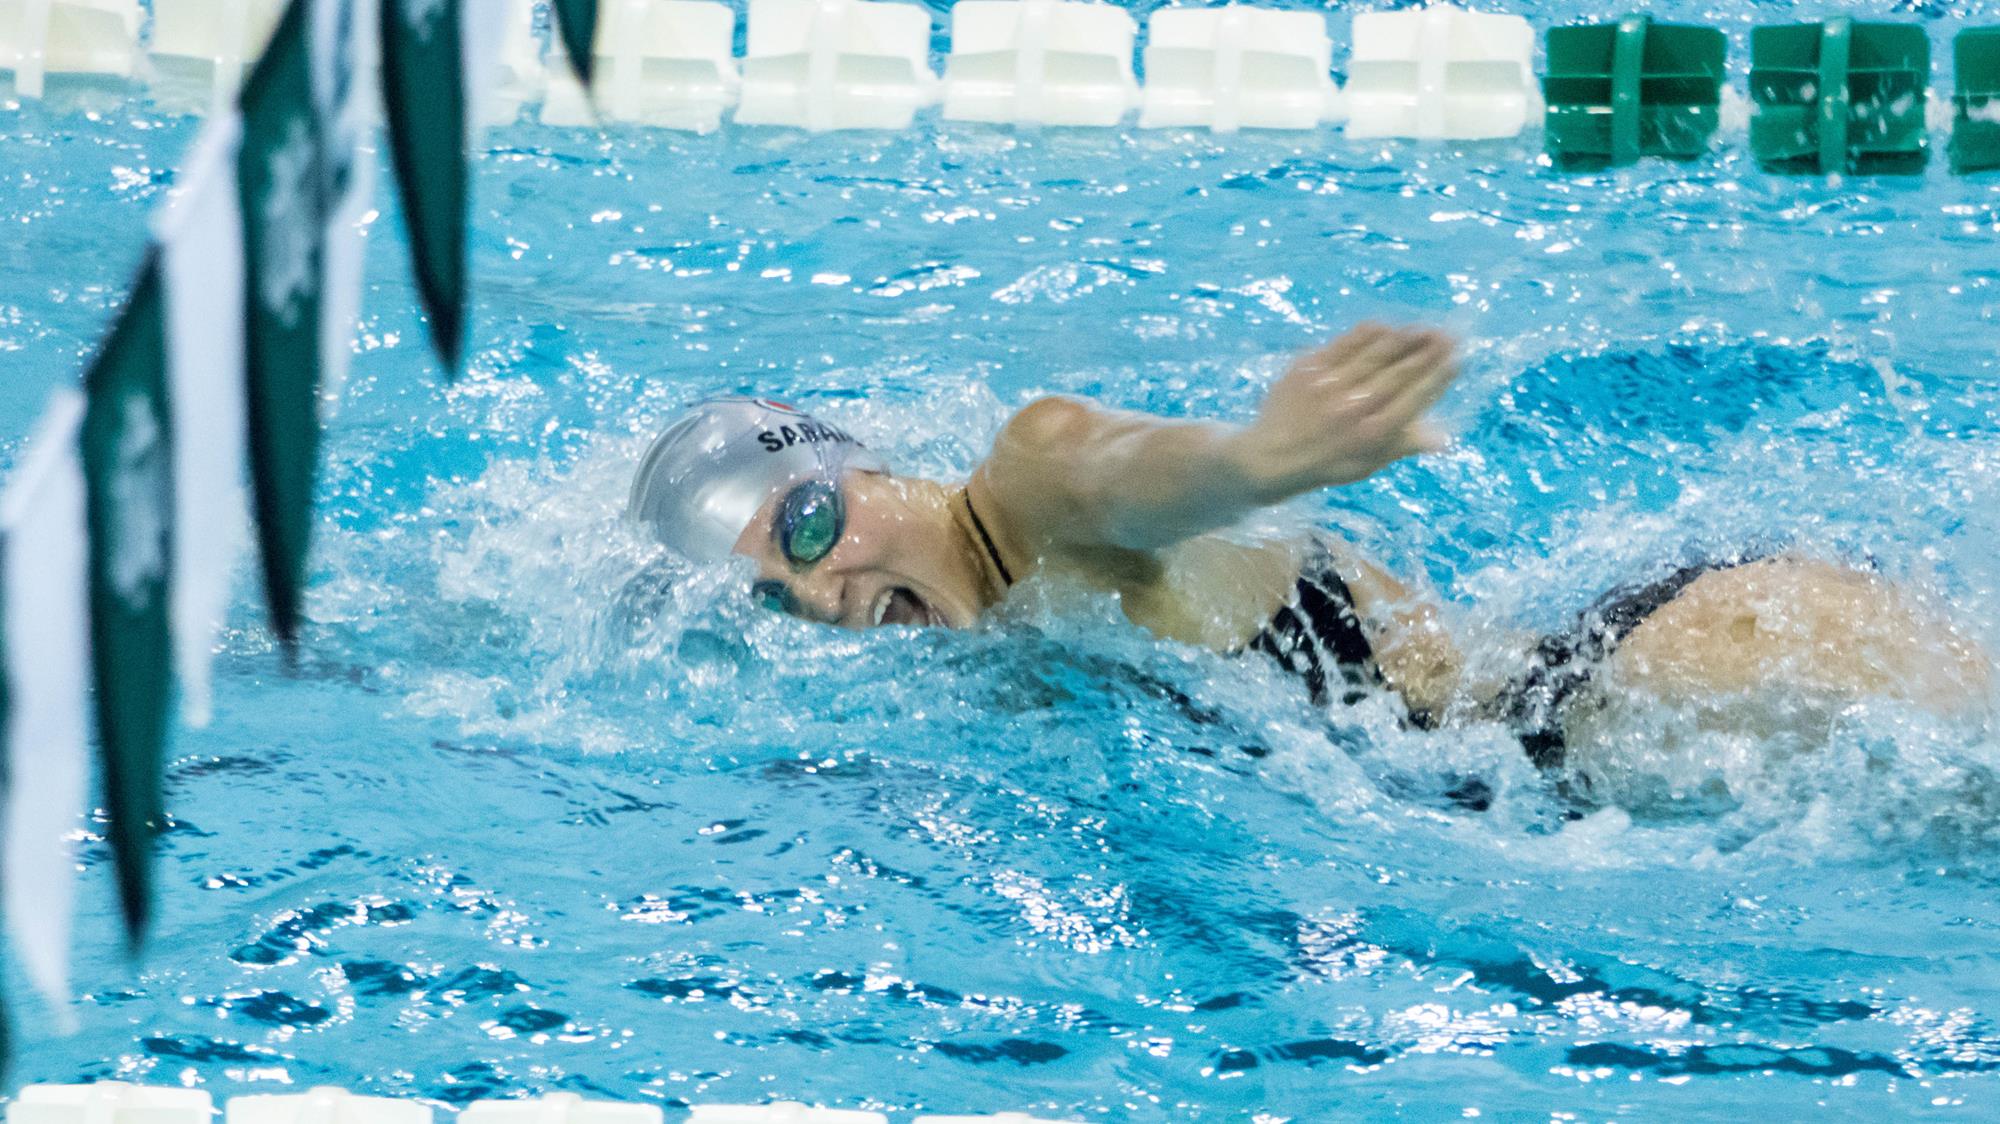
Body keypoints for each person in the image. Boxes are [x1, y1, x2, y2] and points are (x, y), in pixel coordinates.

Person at [627, 324, 1991, 778]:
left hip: (1667, 675)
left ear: (857, 468)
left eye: (807, 525)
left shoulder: (1023, 492)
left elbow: (1120, 472)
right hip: (1595, 715)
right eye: (780, 597)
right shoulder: (998, 629)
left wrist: (1263, 459)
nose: (826, 587)